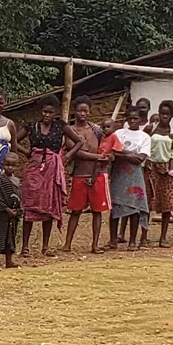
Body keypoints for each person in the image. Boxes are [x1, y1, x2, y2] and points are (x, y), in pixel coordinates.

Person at [62, 99, 113, 253]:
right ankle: (67, 244)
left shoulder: (96, 129)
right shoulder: (69, 130)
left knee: (97, 211)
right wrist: (98, 157)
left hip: (97, 174)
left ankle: (95, 245)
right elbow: (76, 152)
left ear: (89, 111)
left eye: (85, 111)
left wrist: (106, 157)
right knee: (75, 211)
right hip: (80, 174)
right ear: (74, 111)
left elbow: (105, 146)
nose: (82, 114)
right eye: (79, 110)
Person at [20, 98, 67, 256]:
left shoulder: (61, 127)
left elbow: (79, 142)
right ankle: (25, 247)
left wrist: (63, 158)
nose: (46, 115)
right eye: (44, 112)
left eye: (50, 112)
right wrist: (27, 152)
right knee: (29, 206)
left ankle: (45, 246)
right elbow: (13, 139)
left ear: (56, 113)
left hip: (52, 170)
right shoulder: (32, 126)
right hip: (34, 169)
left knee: (49, 208)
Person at [108, 108, 151, 251]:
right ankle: (112, 240)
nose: (132, 121)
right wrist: (130, 155)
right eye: (130, 118)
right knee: (116, 206)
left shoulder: (145, 137)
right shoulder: (118, 133)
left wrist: (123, 154)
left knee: (135, 208)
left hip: (135, 175)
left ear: (141, 120)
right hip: (119, 173)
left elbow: (141, 158)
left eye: (135, 118)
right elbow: (113, 152)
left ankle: (132, 241)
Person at [144, 106, 173, 247]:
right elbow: (143, 145)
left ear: (172, 116)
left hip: (166, 170)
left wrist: (171, 167)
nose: (164, 116)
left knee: (167, 202)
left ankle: (163, 238)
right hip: (151, 167)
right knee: (147, 202)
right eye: (162, 113)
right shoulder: (150, 129)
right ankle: (143, 237)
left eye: (167, 114)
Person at [0, 151, 24, 269]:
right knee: (0, 235)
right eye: (7, 165)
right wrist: (6, 209)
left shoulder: (17, 181)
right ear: (3, 164)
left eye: (13, 165)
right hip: (2, 214)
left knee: (11, 237)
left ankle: (9, 261)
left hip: (14, 214)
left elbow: (20, 196)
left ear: (17, 166)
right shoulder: (0, 179)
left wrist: (18, 210)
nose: (10, 167)